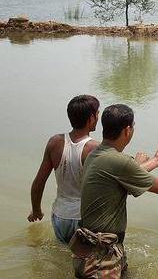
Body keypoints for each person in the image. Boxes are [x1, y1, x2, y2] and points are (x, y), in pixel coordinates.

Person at [71, 104, 158, 278]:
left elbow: (121, 180)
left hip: (93, 246)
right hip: (101, 254)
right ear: (127, 130)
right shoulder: (119, 161)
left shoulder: (96, 154)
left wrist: (154, 161)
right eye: (133, 126)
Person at [27, 95, 100, 244]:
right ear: (91, 118)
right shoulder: (94, 148)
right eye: (97, 113)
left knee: (62, 256)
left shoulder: (55, 142)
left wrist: (36, 210)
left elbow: (38, 182)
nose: (98, 116)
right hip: (83, 218)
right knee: (84, 262)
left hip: (60, 216)